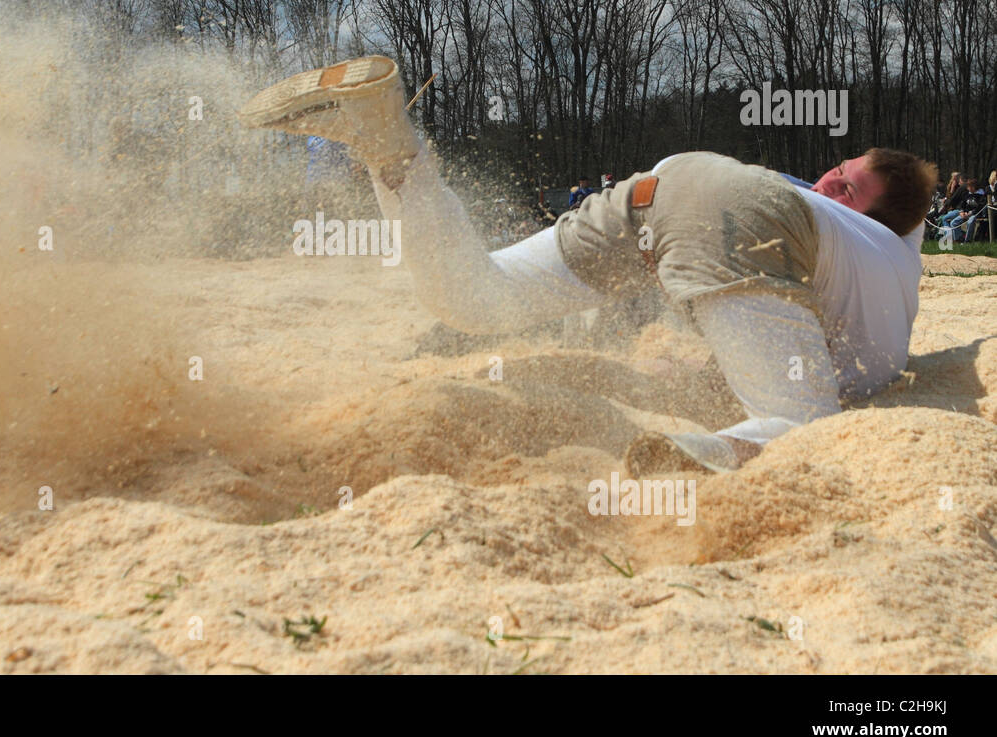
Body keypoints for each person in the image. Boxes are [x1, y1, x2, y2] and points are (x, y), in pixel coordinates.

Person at [238, 55, 936, 474]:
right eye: (838, 170)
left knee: (475, 297)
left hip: (664, 187)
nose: (830, 185)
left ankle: (389, 148)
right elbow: (830, 368)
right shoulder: (875, 252)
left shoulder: (883, 248)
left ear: (878, 221)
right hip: (728, 205)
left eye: (849, 189)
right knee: (802, 423)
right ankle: (711, 455)